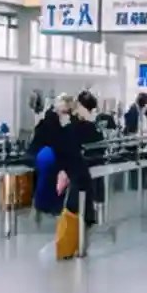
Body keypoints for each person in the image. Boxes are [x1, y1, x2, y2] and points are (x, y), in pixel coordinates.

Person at [55, 93, 104, 228]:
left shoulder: (79, 126)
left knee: (76, 205)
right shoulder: (94, 126)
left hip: (80, 174)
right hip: (89, 172)